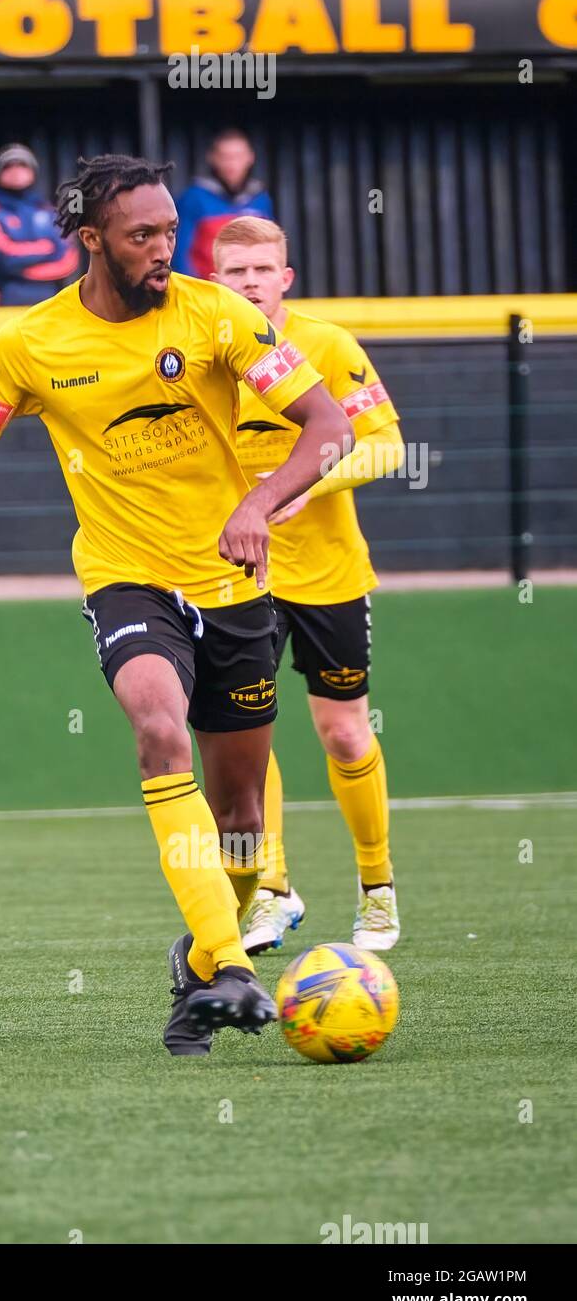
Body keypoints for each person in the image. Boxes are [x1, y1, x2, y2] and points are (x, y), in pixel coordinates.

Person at [0, 154, 352, 1058]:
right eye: (144, 236)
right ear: (91, 240)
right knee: (157, 729)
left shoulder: (219, 314)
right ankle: (232, 965)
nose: (165, 250)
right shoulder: (30, 343)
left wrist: (257, 503)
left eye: (172, 231)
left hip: (235, 585)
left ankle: (201, 956)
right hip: (126, 576)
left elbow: (328, 428)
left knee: (245, 824)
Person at [211, 216, 405, 953]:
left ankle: (377, 887)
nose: (252, 282)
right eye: (237, 272)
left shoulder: (327, 345)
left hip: (327, 573)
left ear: (286, 277)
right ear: (217, 280)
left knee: (345, 731)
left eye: (264, 270)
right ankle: (273, 892)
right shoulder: (208, 351)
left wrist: (309, 485)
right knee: (247, 740)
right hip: (240, 578)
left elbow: (386, 446)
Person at [0, 144, 79, 306]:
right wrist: (47, 247)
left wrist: (25, 268)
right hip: (9, 299)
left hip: (51, 297)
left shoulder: (48, 211)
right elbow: (6, 260)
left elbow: (68, 259)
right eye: (8, 166)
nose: (16, 171)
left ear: (33, 172)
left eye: (22, 165)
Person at [173, 129, 274, 280]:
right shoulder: (194, 197)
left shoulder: (261, 198)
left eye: (238, 156)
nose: (232, 164)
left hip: (250, 289)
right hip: (209, 293)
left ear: (250, 157)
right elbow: (179, 253)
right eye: (225, 157)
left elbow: (271, 250)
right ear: (212, 158)